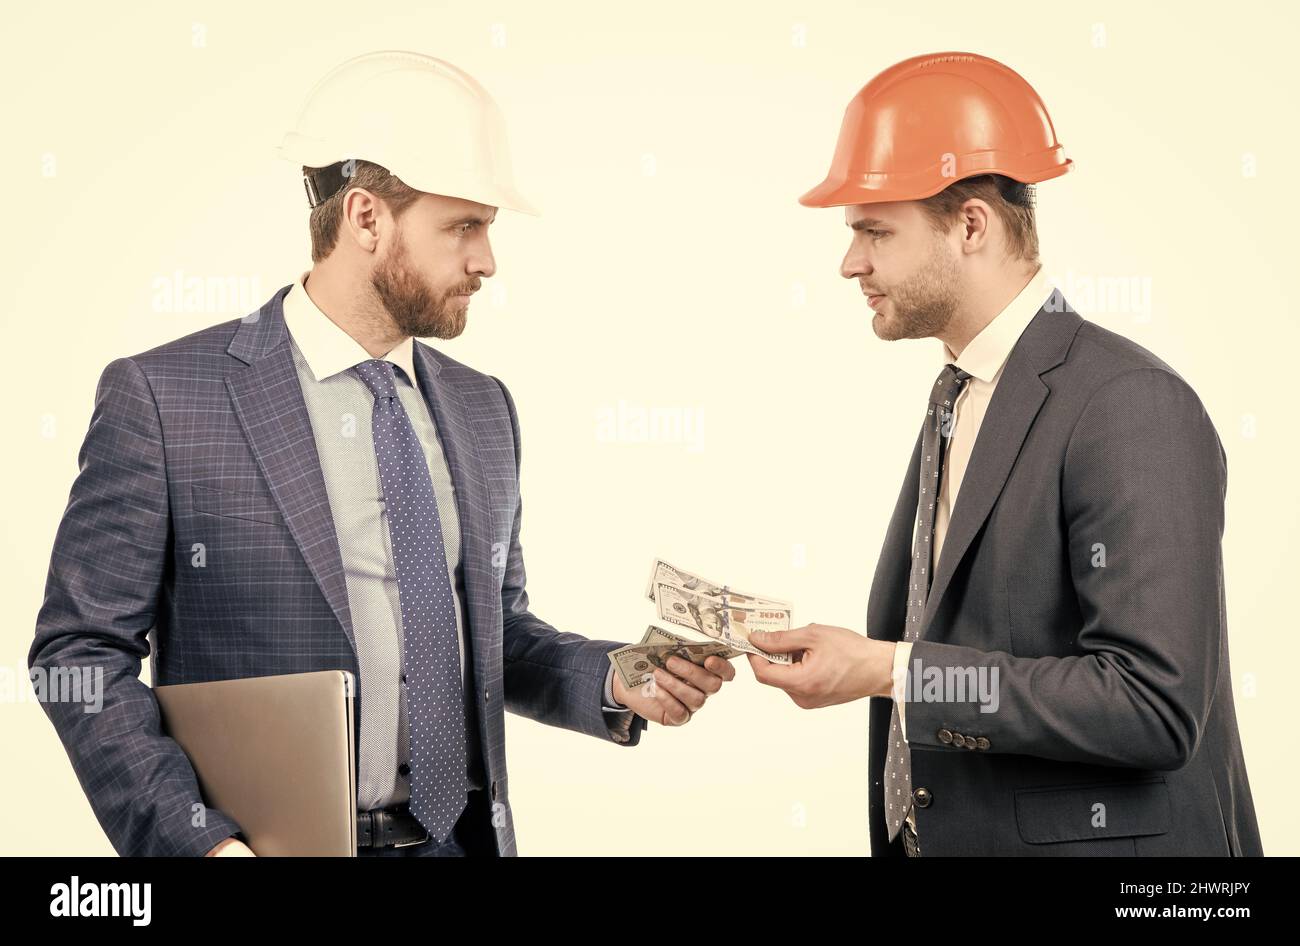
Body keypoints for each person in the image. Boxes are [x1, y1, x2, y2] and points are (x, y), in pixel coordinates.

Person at [28, 51, 733, 858]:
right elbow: (77, 656)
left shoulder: (482, 406)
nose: (487, 261)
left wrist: (619, 680)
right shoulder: (164, 399)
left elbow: (496, 633)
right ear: (366, 218)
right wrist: (201, 847)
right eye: (464, 227)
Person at [747, 51, 1261, 857]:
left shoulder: (1128, 404)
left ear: (972, 225)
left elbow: (1150, 705)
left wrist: (894, 672)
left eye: (874, 231)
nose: (851, 263)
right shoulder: (961, 393)